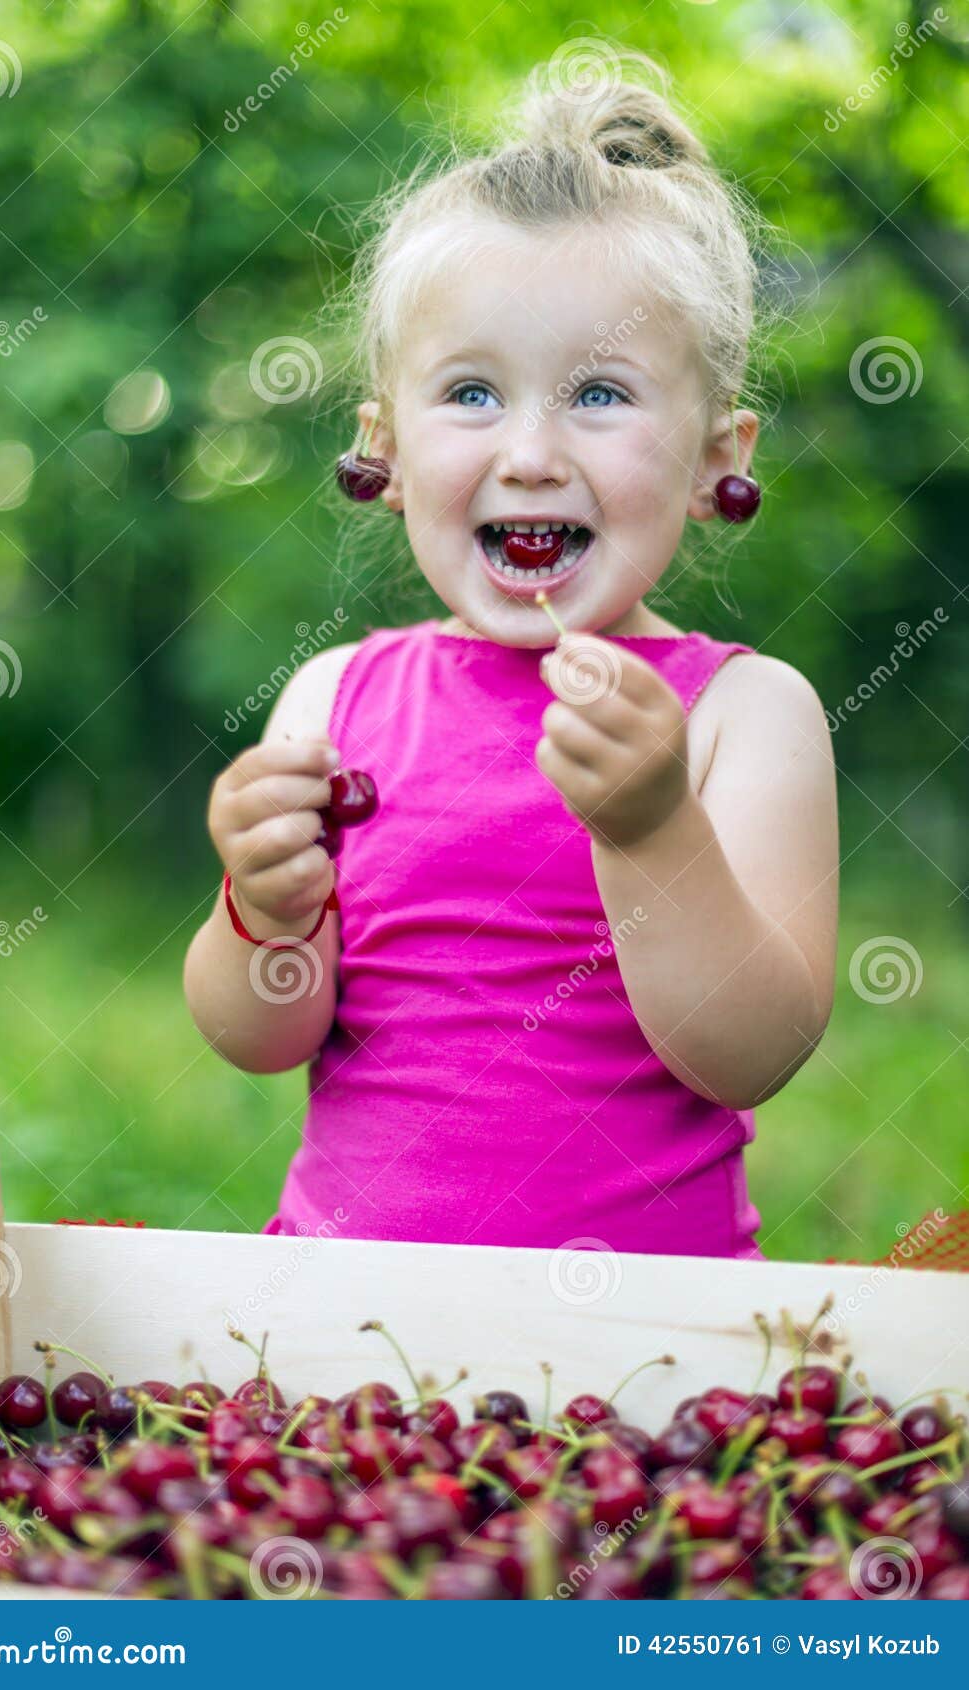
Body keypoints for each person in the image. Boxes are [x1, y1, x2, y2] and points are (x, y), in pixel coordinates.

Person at [184, 49, 838, 1260]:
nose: (530, 451)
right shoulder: (336, 699)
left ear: (713, 455)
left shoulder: (744, 714)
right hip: (350, 1349)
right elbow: (258, 1036)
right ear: (383, 448)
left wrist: (652, 832)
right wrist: (260, 909)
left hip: (644, 1366)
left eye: (598, 394)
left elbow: (751, 1049)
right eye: (472, 394)